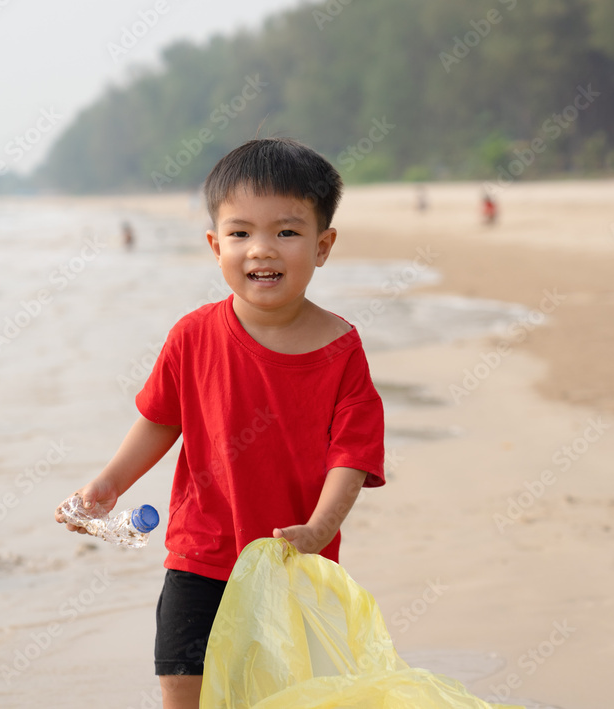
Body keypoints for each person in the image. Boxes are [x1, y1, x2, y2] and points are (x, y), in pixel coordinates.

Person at [55, 138, 385, 709]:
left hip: (291, 562)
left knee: (284, 690)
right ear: (215, 245)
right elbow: (161, 420)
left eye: (286, 232)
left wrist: (319, 529)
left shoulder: (341, 348)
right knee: (184, 681)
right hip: (201, 551)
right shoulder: (193, 335)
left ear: (323, 245)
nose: (262, 250)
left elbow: (351, 455)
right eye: (240, 233)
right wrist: (108, 485)